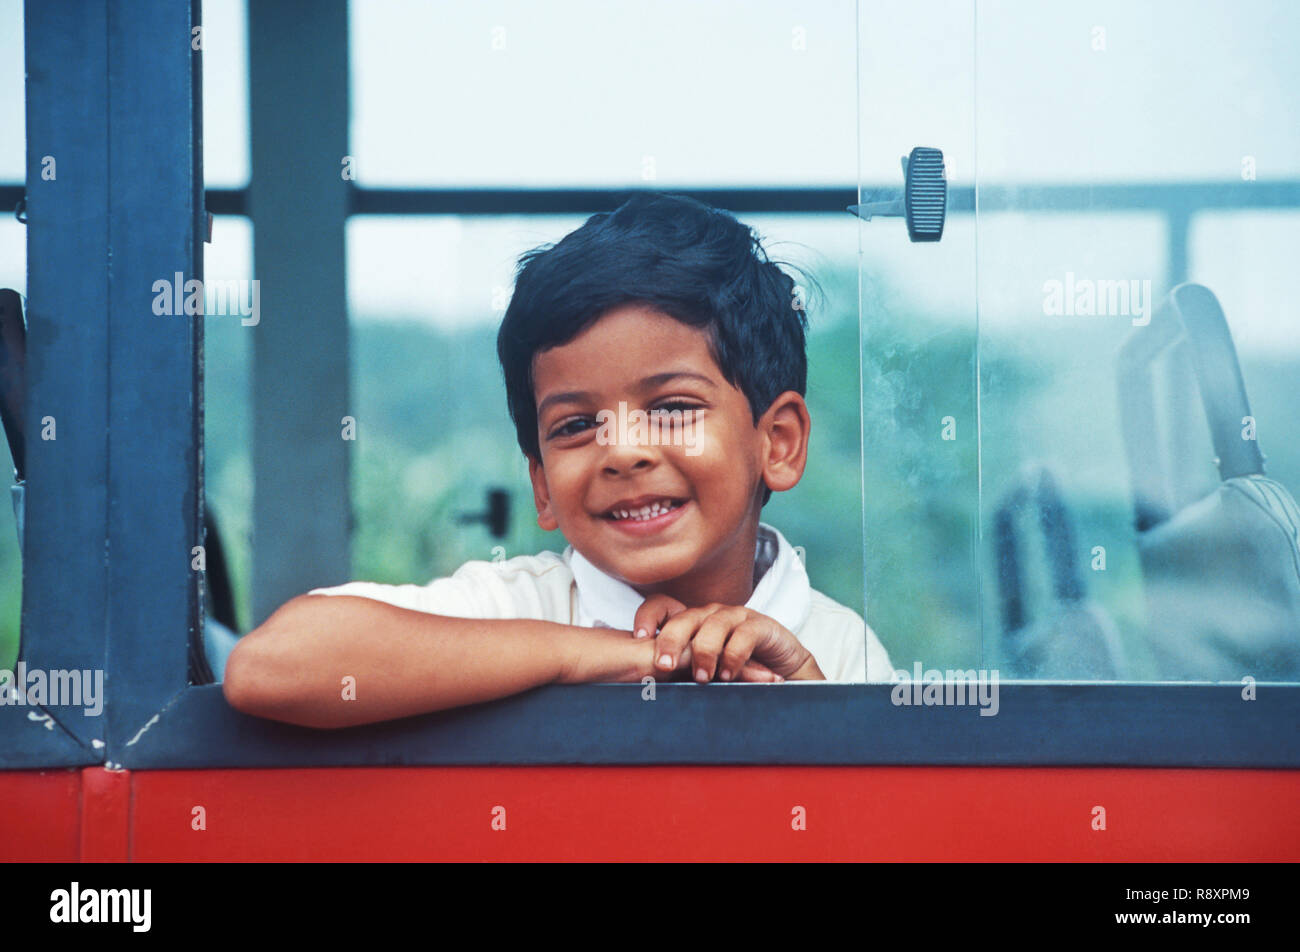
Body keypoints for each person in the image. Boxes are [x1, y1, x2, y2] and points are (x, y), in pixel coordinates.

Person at [222, 193, 891, 728]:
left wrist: (811, 706)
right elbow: (271, 665)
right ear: (541, 487)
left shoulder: (836, 649)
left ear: (777, 442)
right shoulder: (518, 605)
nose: (623, 451)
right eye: (576, 425)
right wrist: (606, 657)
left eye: (673, 408)